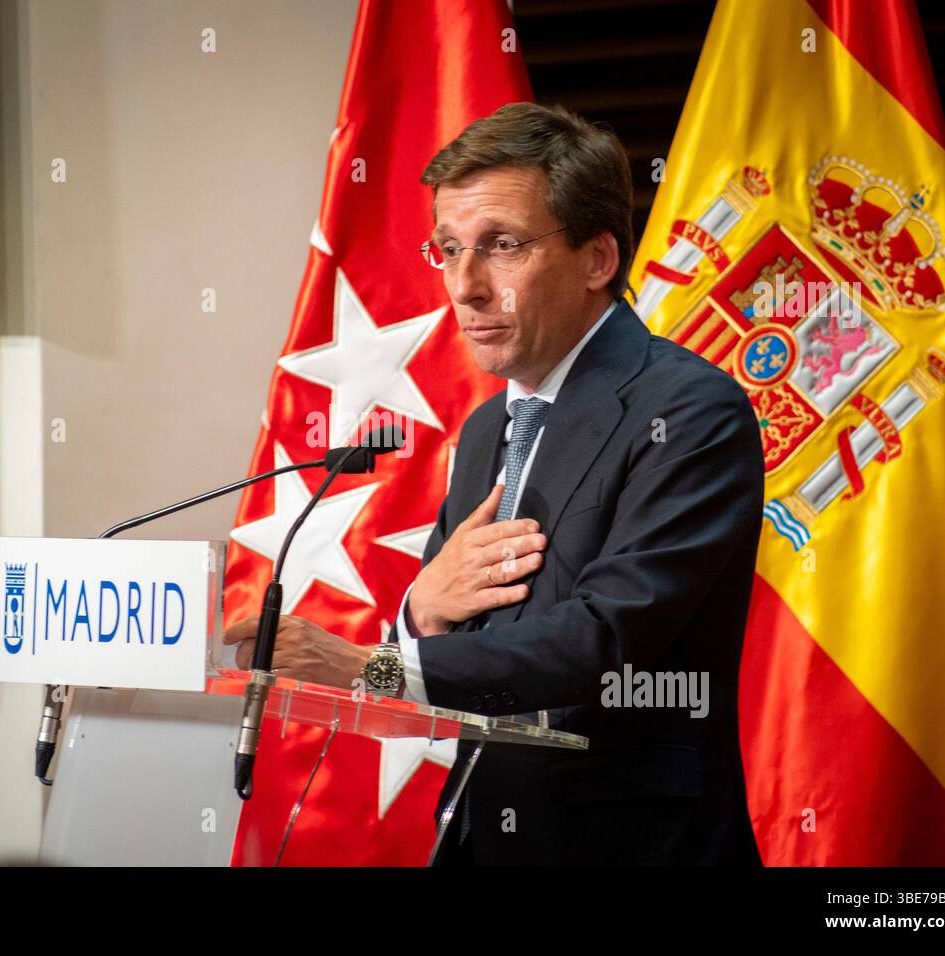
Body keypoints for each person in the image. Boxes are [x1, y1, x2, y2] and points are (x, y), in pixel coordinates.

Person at [225, 102, 764, 866]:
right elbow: (463, 652)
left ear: (597, 258)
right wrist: (418, 611)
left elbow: (602, 640)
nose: (465, 286)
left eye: (501, 246)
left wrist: (365, 663)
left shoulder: (688, 411)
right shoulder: (488, 431)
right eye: (446, 249)